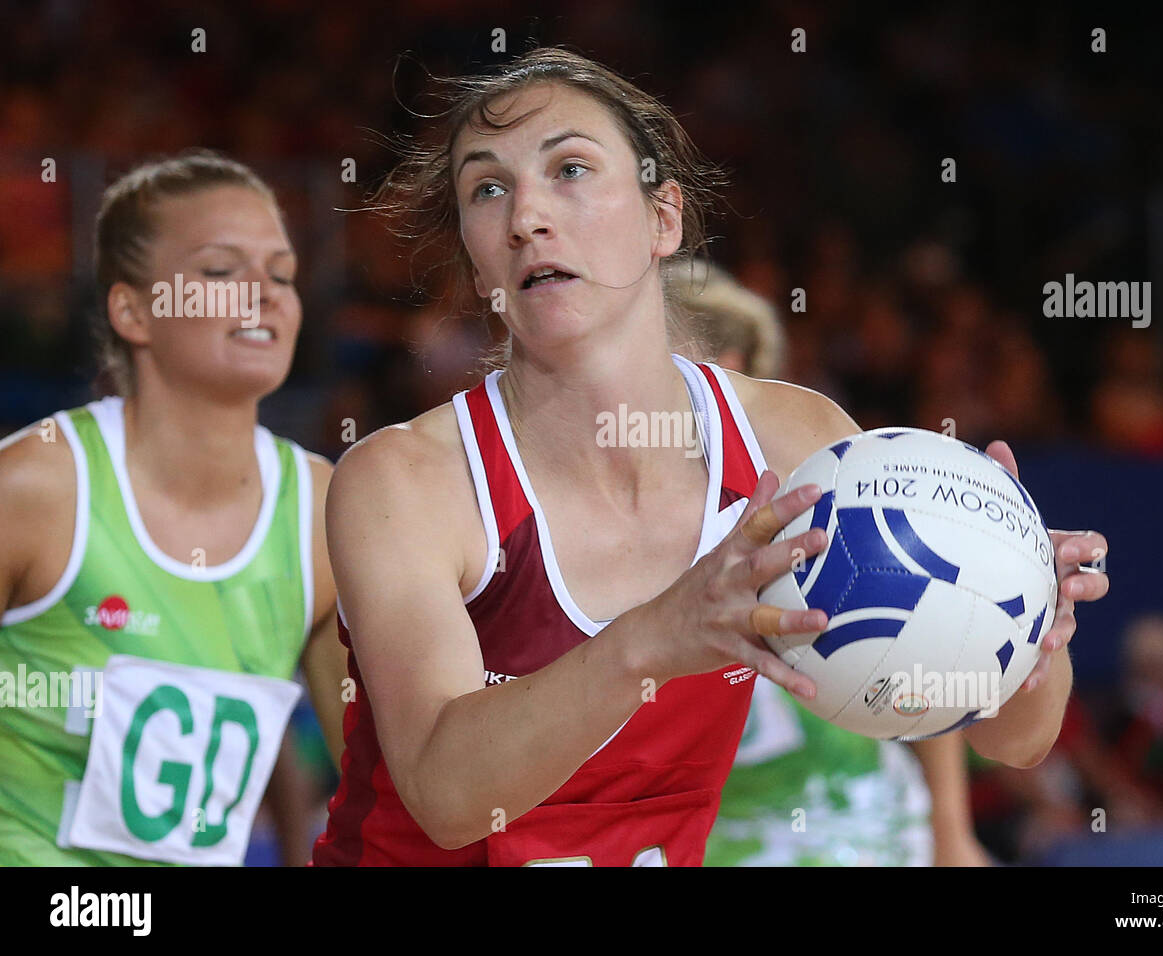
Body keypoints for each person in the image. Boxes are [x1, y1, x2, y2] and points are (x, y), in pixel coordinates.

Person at [311, 47, 1109, 867]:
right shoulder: (402, 480)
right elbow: (446, 798)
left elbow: (1016, 739)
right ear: (477, 260)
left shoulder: (791, 442)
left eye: (571, 169)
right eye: (488, 188)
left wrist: (1021, 620)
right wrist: (656, 636)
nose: (526, 216)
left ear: (665, 220)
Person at [0, 151, 348, 865]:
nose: (266, 293)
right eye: (221, 271)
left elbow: (379, 776)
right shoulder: (36, 487)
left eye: (281, 274)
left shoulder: (321, 510)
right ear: (133, 311)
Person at [666, 259, 989, 866]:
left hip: (861, 823)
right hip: (712, 841)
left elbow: (914, 653)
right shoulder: (590, 524)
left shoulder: (819, 502)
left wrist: (953, 835)